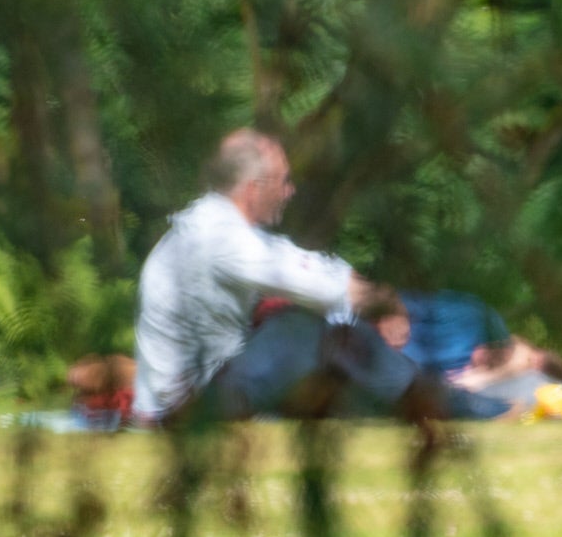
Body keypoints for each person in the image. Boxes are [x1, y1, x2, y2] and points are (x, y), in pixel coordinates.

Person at [131, 129, 427, 424]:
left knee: (299, 324)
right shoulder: (227, 241)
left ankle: (397, 407)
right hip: (186, 413)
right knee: (308, 329)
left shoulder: (208, 226)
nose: (290, 191)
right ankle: (429, 402)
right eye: (284, 181)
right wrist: (390, 305)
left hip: (182, 403)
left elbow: (313, 268)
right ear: (253, 189)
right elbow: (332, 289)